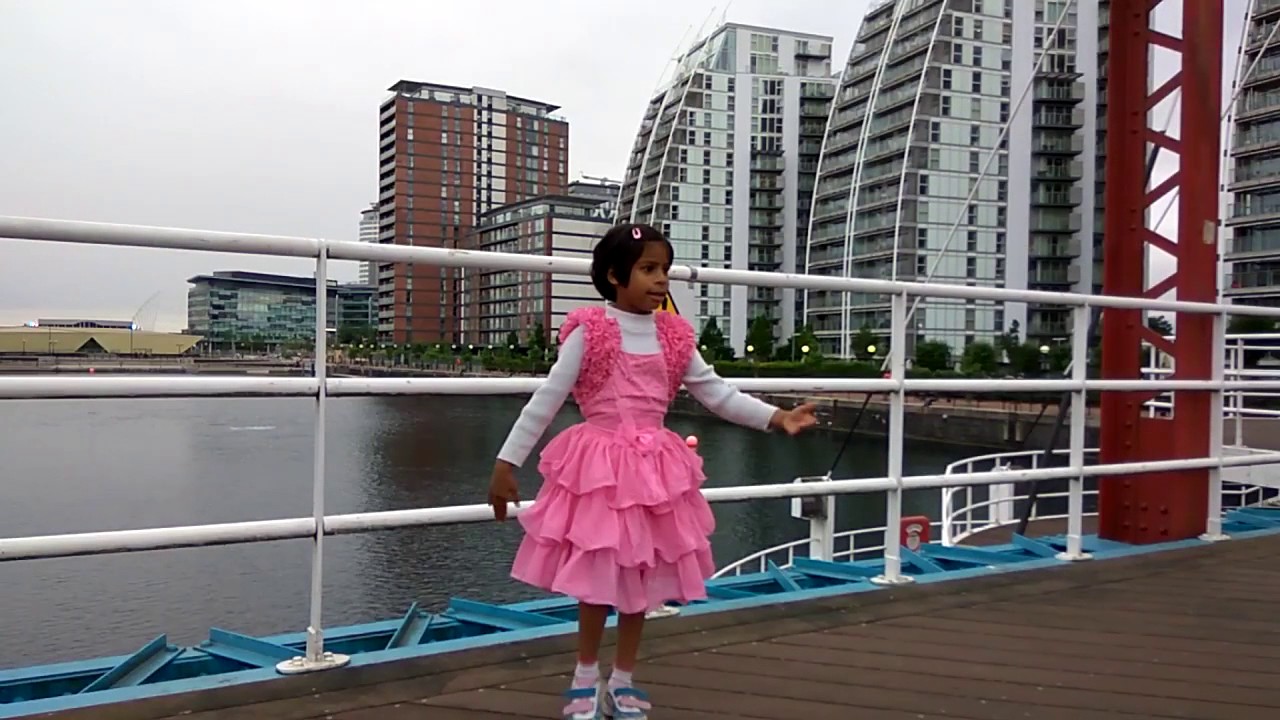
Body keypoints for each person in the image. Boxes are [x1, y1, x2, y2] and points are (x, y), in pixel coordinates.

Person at [488, 223, 817, 719]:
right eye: (647, 269)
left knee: (642, 574)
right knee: (597, 575)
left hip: (656, 471)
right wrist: (506, 462)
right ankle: (584, 676)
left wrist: (776, 417)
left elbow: (716, 392)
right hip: (601, 468)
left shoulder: (674, 334)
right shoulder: (590, 330)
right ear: (614, 275)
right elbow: (548, 398)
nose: (661, 279)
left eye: (664, 268)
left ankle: (623, 677)